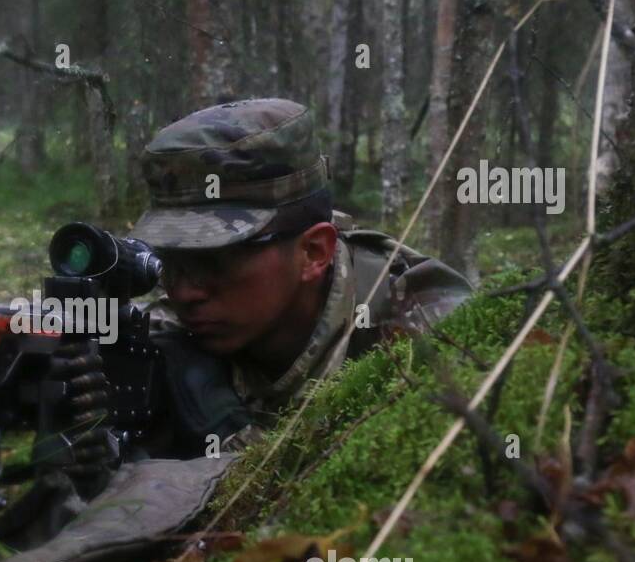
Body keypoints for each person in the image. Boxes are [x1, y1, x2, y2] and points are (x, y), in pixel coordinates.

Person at [129, 98, 474, 459]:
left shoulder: (425, 330)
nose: (184, 291)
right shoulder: (164, 336)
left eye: (214, 262)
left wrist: (226, 430)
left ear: (313, 252)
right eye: (170, 261)